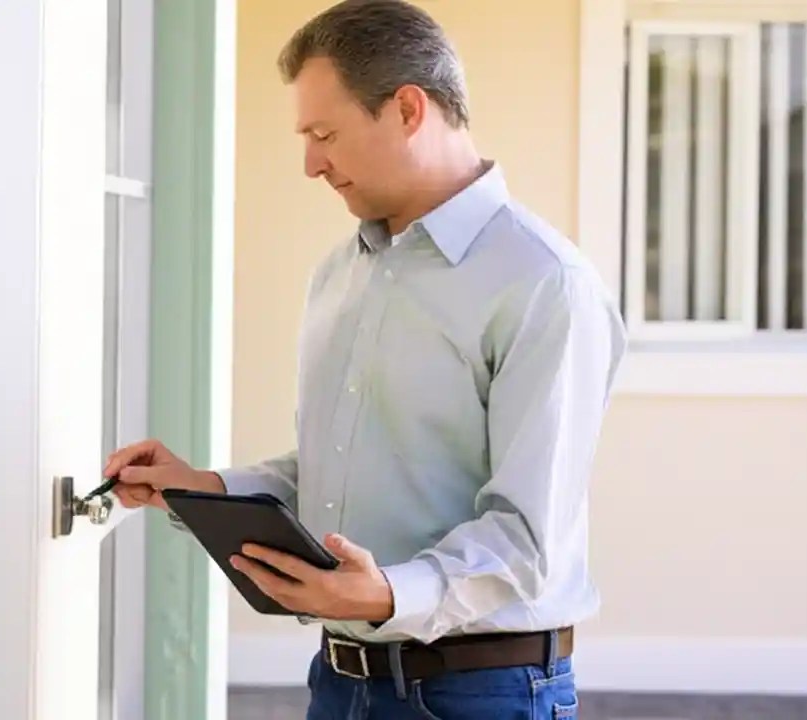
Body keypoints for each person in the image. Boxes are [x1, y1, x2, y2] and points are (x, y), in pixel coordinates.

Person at [103, 0, 626, 717]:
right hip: (338, 681)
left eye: (325, 134)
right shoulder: (340, 273)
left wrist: (386, 593)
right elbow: (342, 471)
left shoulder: (543, 283)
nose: (311, 163)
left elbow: (530, 538)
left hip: (481, 694)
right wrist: (200, 488)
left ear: (408, 109)